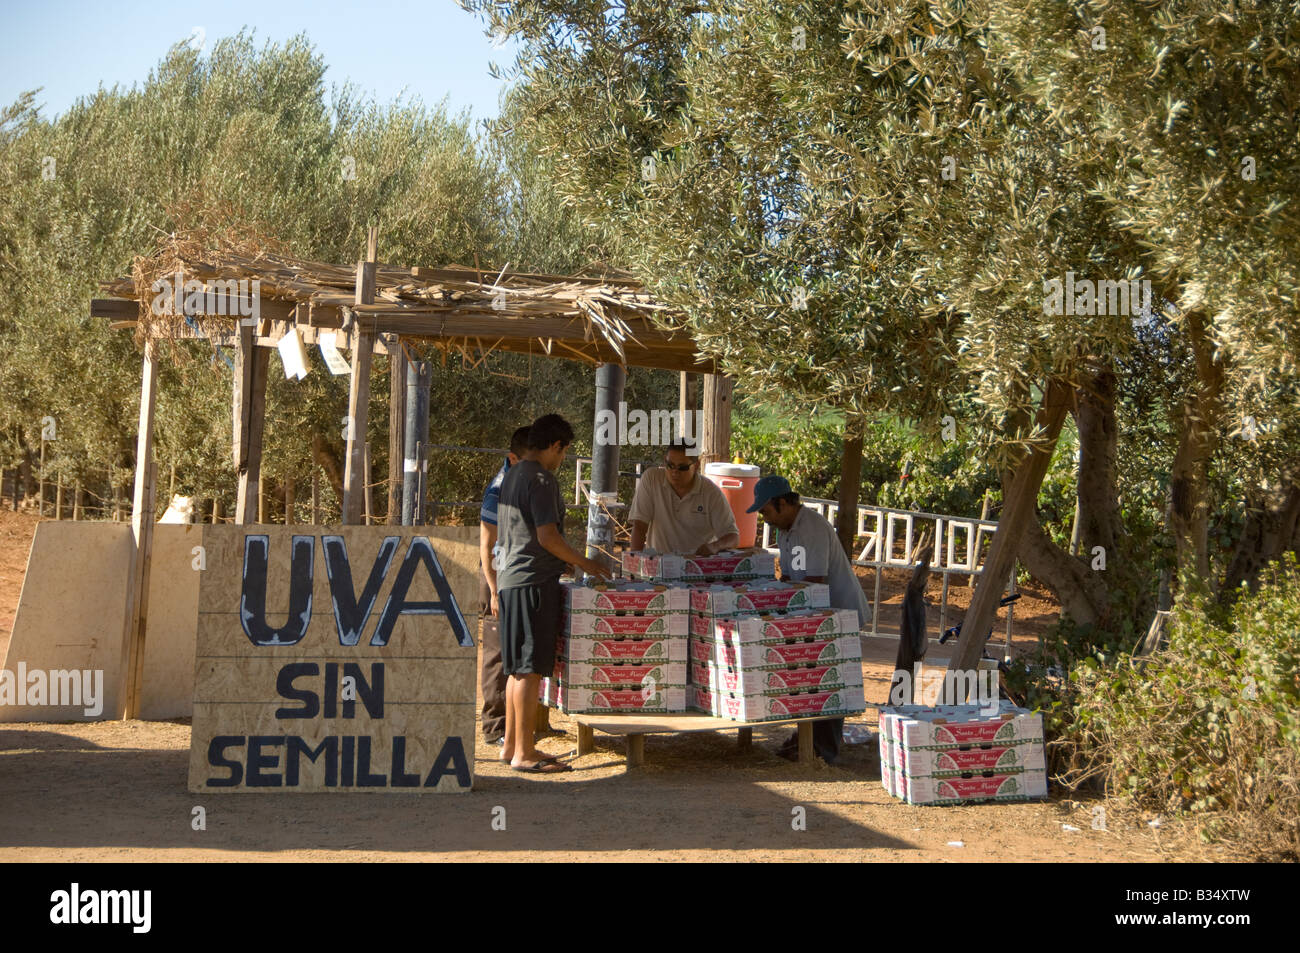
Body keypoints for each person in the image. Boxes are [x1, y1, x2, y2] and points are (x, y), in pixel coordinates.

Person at [497, 413, 611, 772]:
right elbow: (548, 536)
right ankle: (524, 754)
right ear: (555, 446)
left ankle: (513, 747)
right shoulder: (542, 479)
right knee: (530, 671)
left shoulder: (511, 474)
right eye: (564, 453)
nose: (562, 461)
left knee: (517, 670)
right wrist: (586, 564)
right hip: (533, 583)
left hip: (510, 581)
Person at [747, 474, 872, 764]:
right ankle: (811, 740)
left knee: (831, 682)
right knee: (813, 678)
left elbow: (814, 584)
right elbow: (791, 578)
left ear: (782, 503)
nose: (765, 518)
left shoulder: (811, 528)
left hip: (839, 612)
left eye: (766, 511)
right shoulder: (786, 531)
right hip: (819, 612)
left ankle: (824, 751)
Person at [478, 425, 531, 745]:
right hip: (495, 576)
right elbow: (487, 545)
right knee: (497, 657)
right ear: (513, 458)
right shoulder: (498, 490)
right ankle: (495, 728)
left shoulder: (522, 484)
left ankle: (516, 727)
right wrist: (494, 590)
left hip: (514, 575)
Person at [628, 441, 741, 555]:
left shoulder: (711, 493)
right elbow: (639, 526)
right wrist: (635, 563)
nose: (675, 472)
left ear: (696, 465)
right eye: (670, 465)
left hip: (696, 568)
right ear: (664, 461)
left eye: (682, 468)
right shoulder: (652, 479)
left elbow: (733, 537)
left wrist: (714, 547)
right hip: (658, 566)